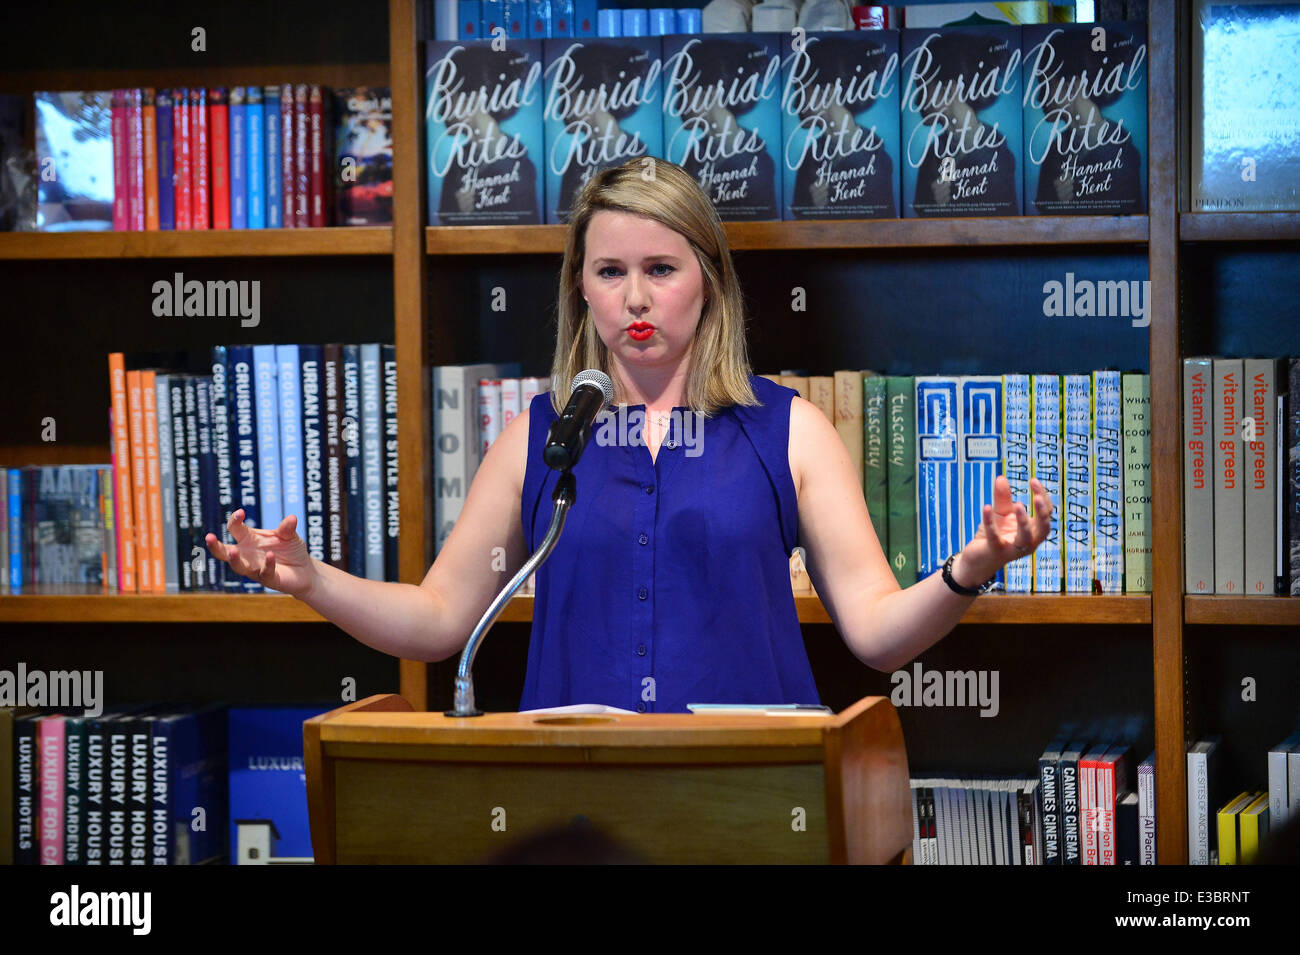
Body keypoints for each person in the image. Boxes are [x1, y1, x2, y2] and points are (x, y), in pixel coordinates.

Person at [206, 157, 1055, 713]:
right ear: (582, 288)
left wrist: (971, 566)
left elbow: (875, 632)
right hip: (580, 806)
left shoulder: (789, 430)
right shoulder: (540, 438)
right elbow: (436, 620)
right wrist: (312, 579)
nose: (635, 298)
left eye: (661, 269)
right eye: (611, 271)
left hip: (752, 800)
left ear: (708, 282)